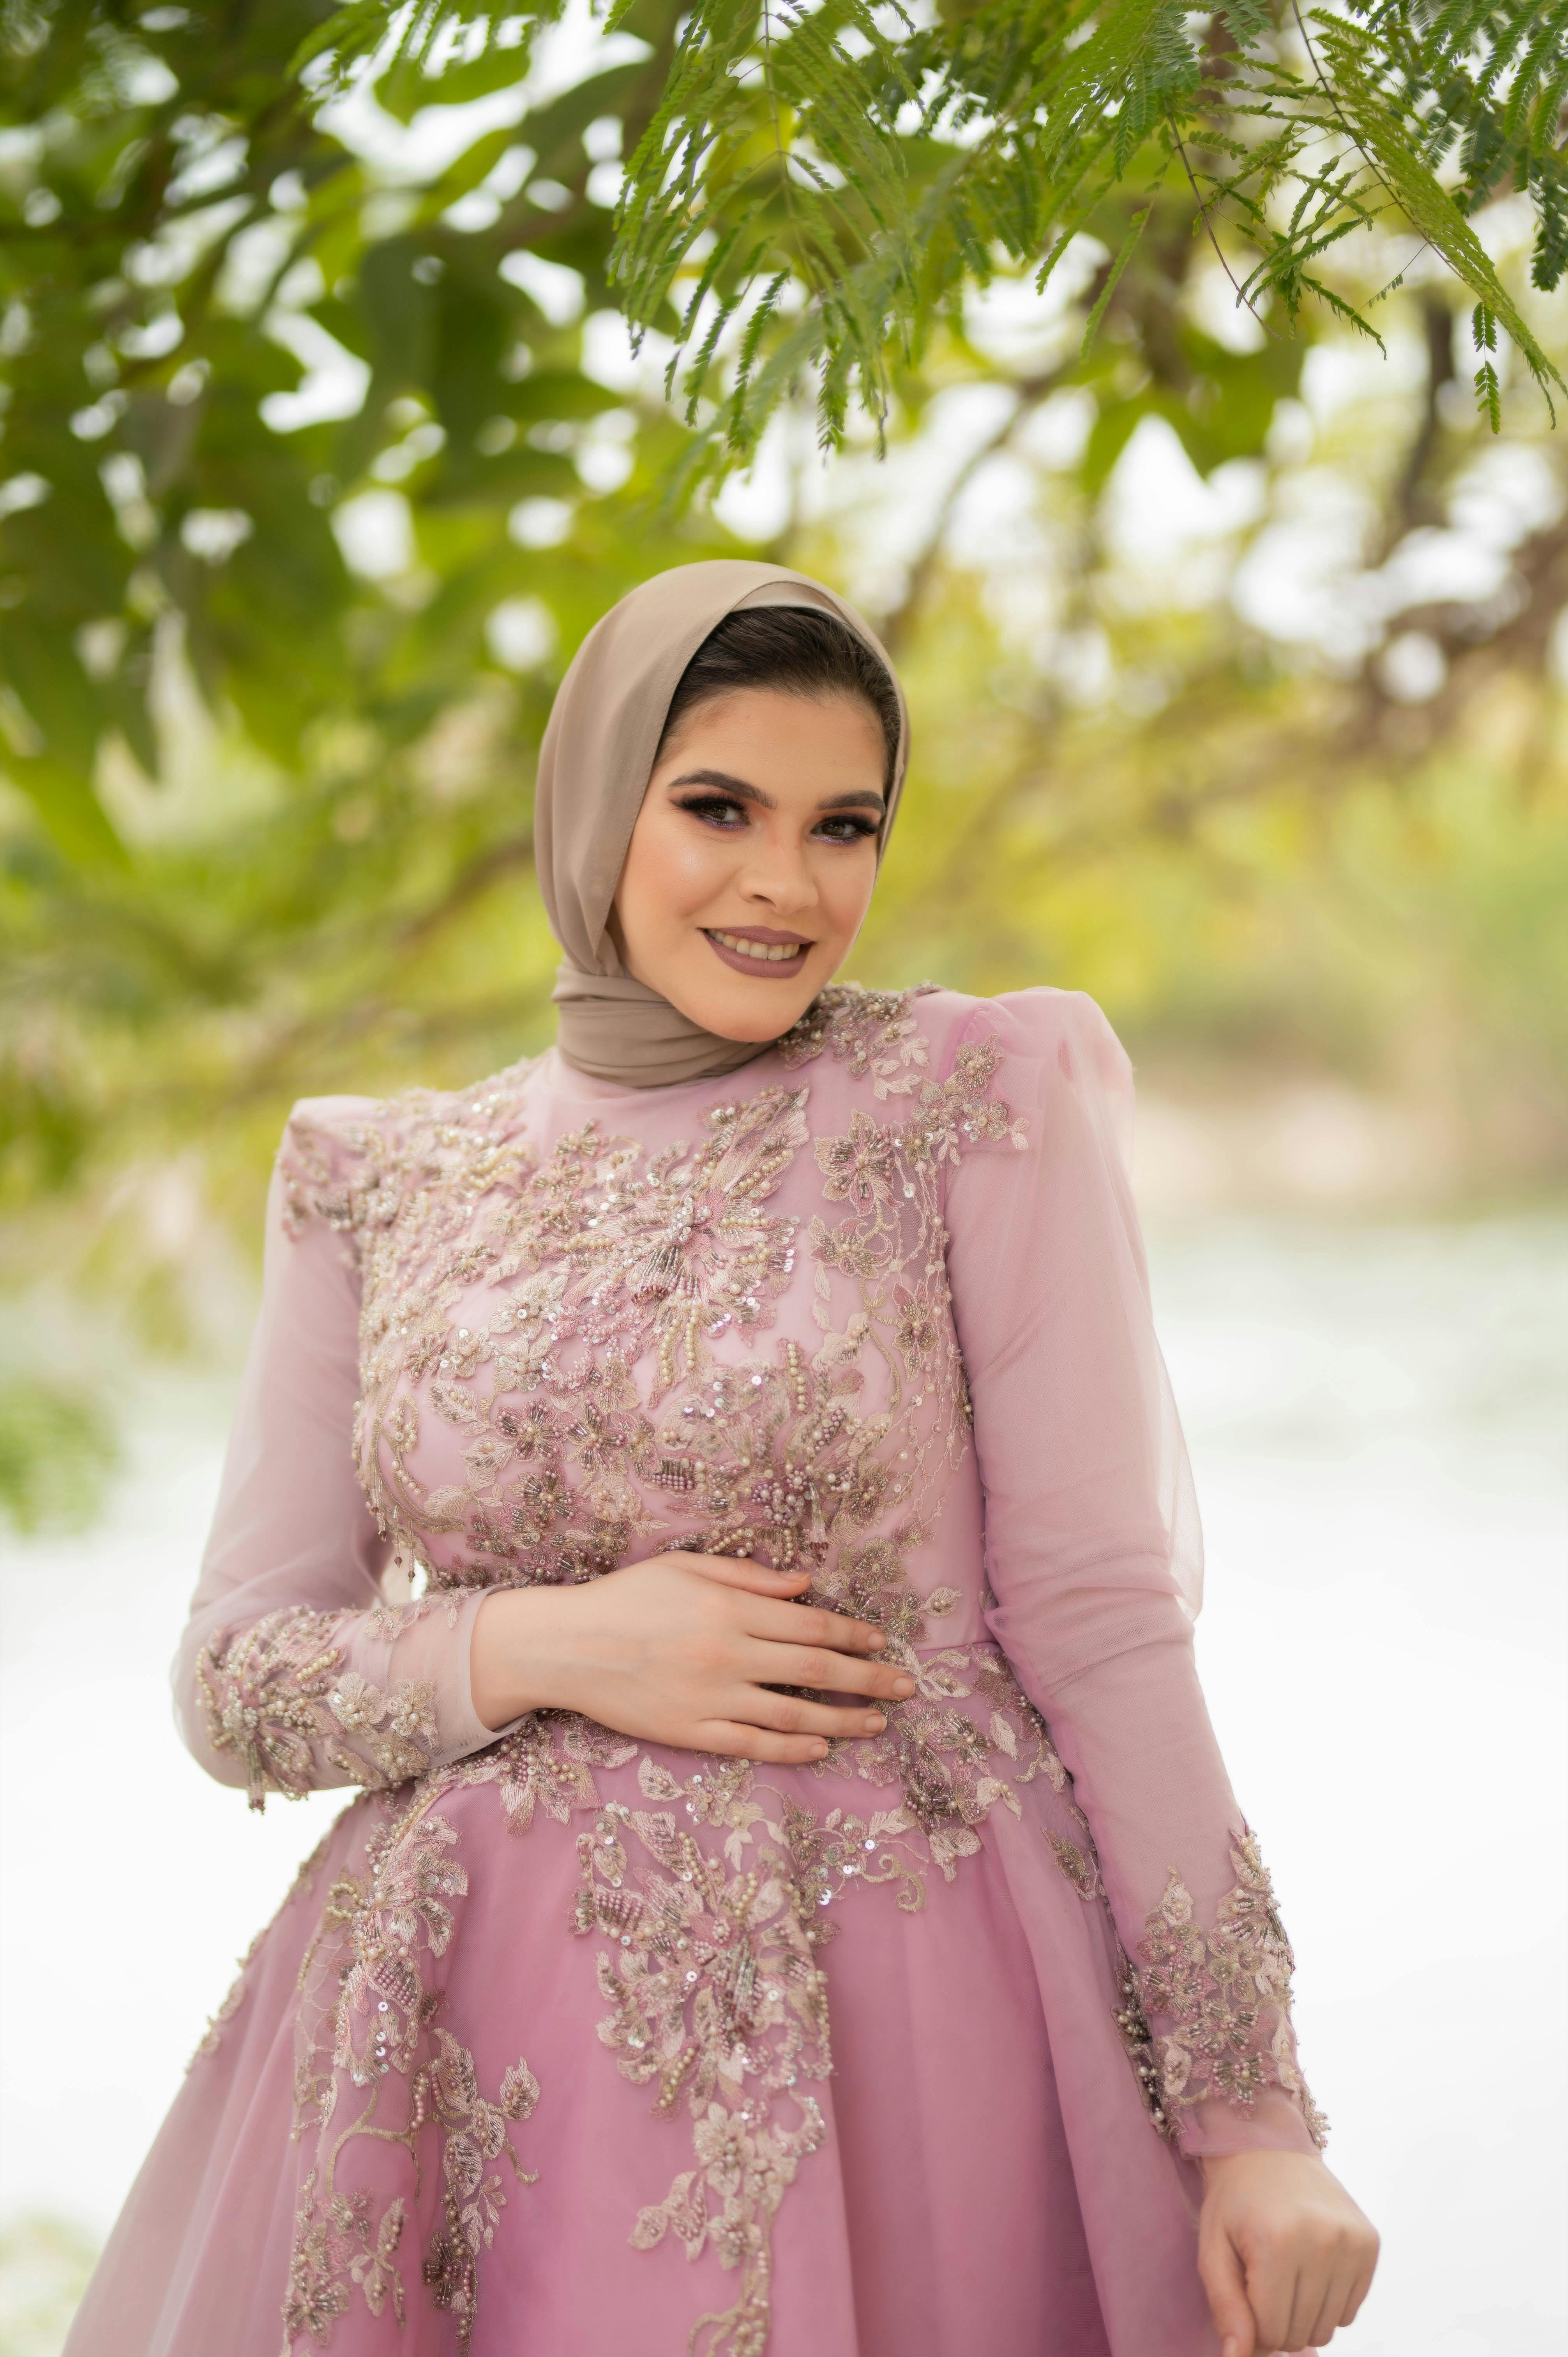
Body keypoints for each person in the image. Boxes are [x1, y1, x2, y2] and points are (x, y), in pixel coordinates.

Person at [65, 560, 1378, 2357]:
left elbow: (1101, 1617)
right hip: (453, 2047)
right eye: (718, 810)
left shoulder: (965, 1098)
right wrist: (544, 1645)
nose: (787, 883)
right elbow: (237, 1681)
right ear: (598, 805)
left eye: (844, 826)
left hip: (908, 2022)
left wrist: (1255, 2122)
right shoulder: (377, 1179)